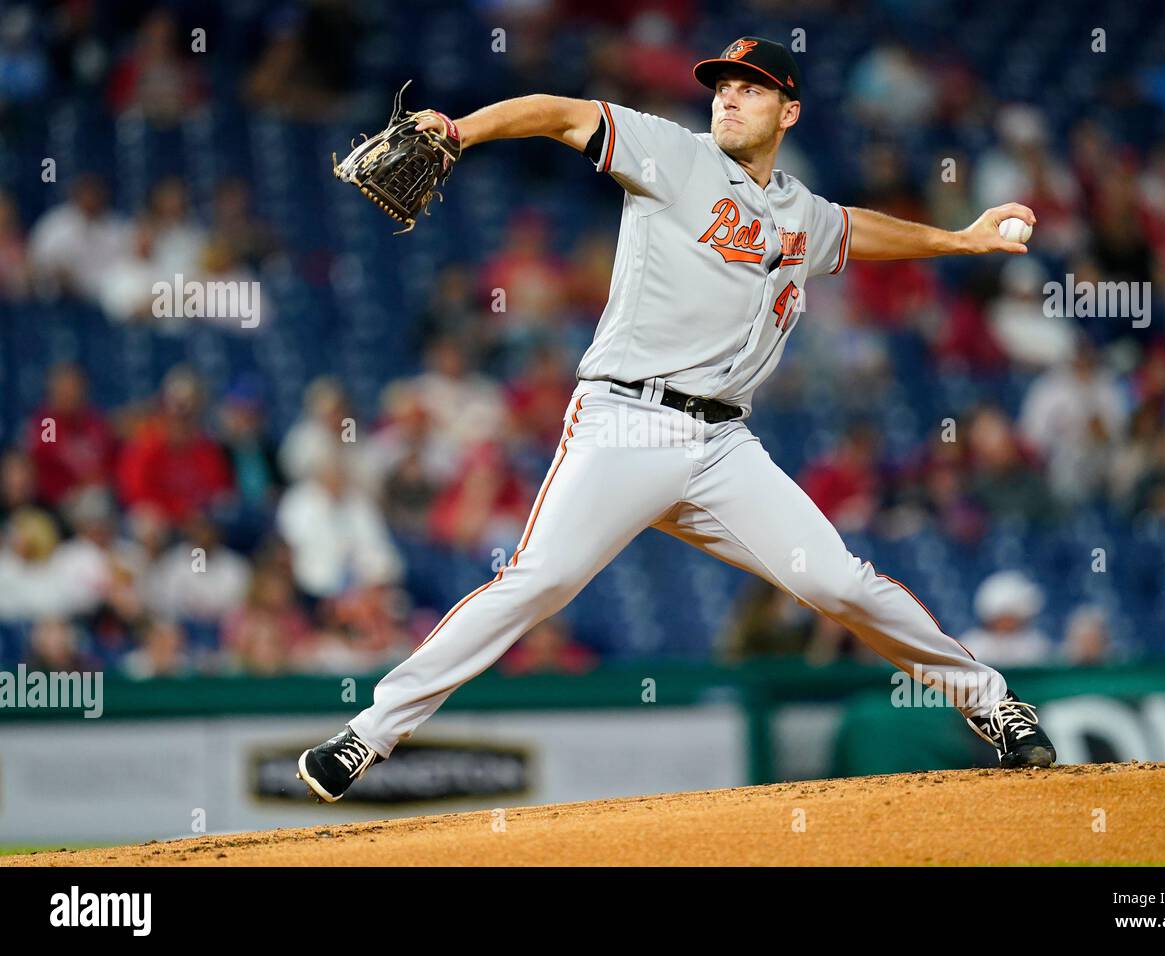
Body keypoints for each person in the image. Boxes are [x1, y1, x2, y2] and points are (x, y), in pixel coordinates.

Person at [298, 36, 1057, 803]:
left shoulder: (801, 211)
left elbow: (856, 232)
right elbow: (558, 115)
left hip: (725, 443)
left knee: (840, 585)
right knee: (539, 581)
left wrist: (960, 239)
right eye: (723, 84)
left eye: (752, 89)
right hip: (627, 420)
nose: (729, 96)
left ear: (789, 111)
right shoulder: (675, 155)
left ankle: (994, 707)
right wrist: (461, 130)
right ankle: (370, 733)